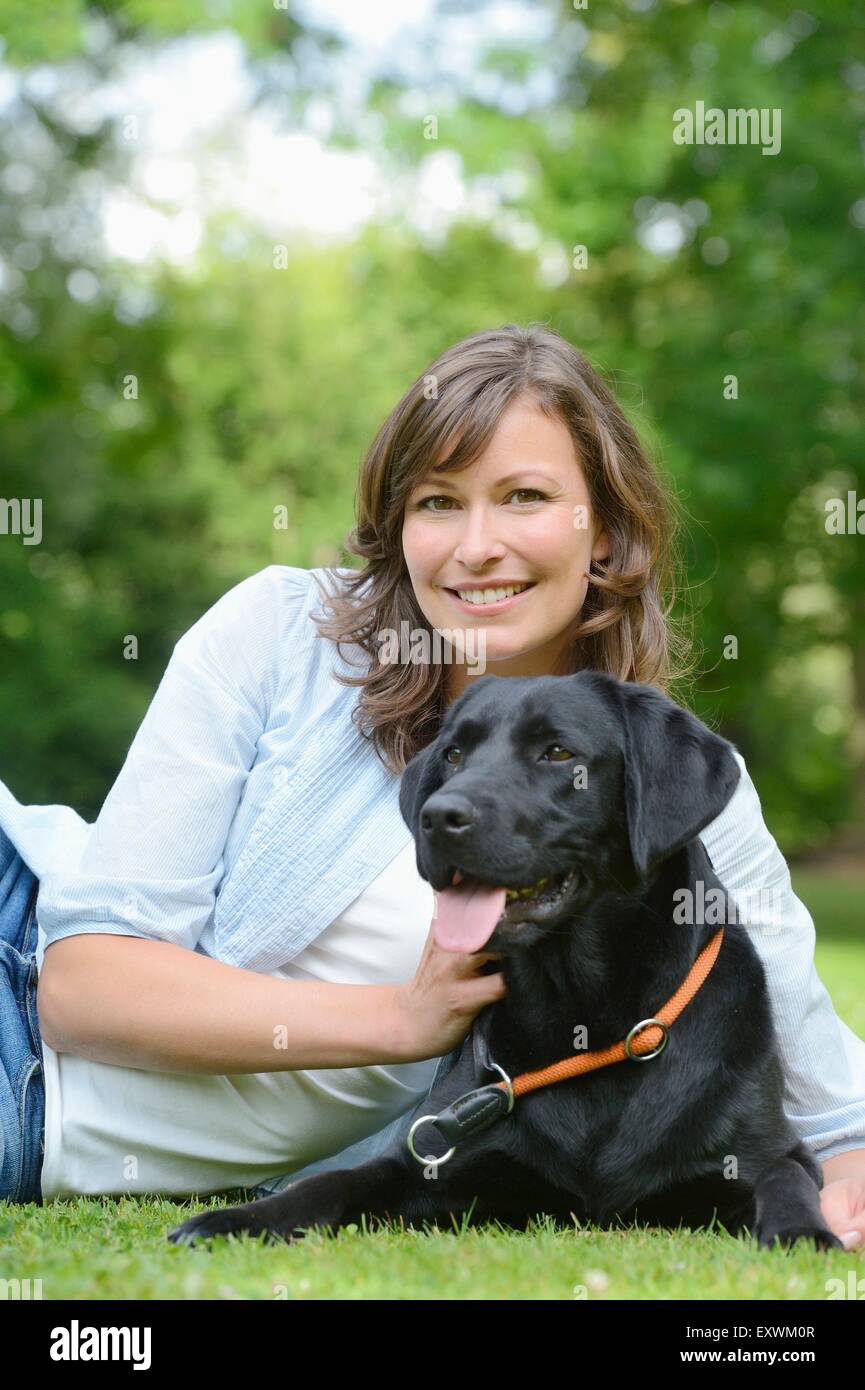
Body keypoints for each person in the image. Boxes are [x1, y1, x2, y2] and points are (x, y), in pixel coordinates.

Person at [1, 323, 864, 1250]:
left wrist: (847, 1161)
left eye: (524, 497)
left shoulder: (657, 782)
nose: (476, 546)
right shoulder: (281, 634)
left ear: (606, 530)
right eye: (438, 503)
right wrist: (400, 1017)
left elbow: (818, 1087)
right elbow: (84, 986)